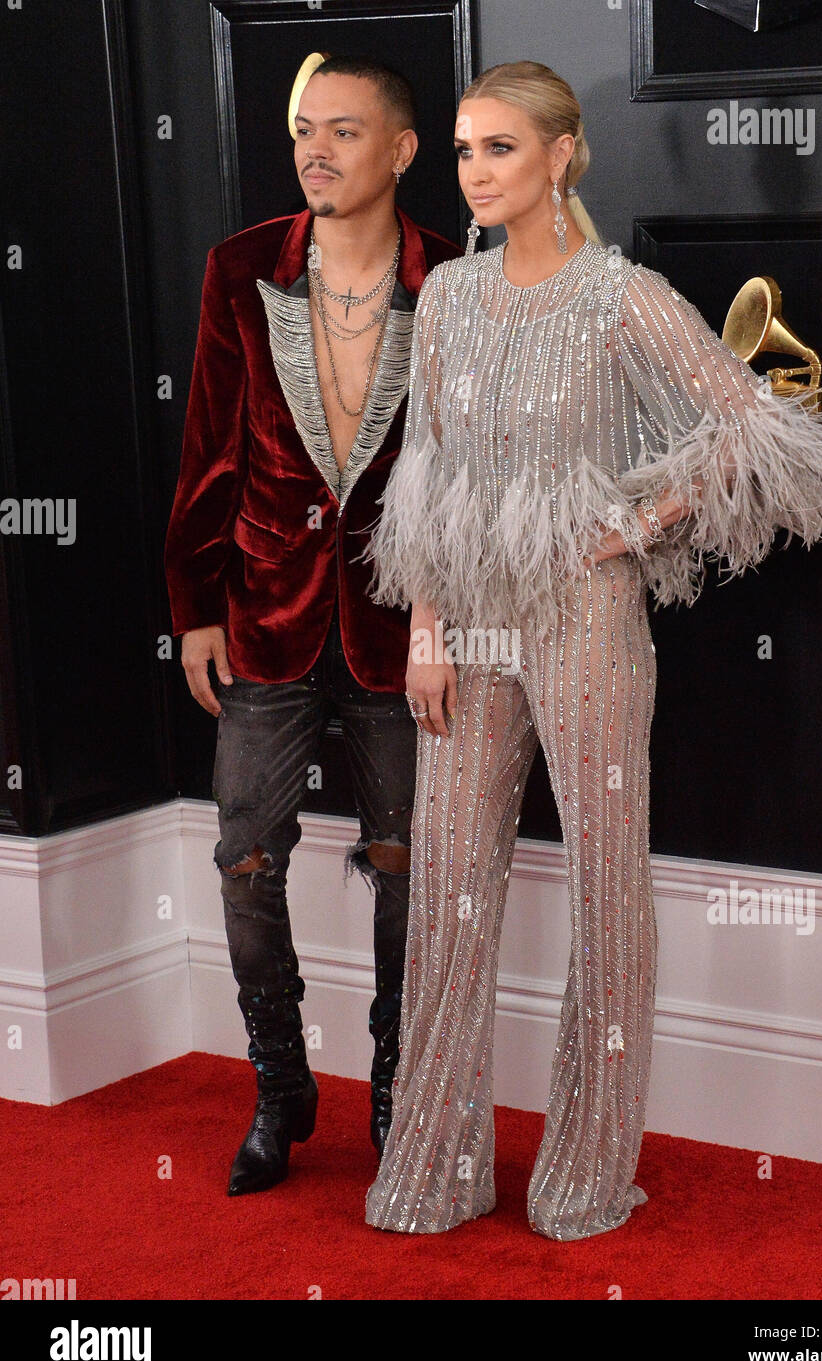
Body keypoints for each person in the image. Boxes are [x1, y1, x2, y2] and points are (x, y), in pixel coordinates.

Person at [361, 60, 822, 1240]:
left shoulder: (621, 297)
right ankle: (434, 1168)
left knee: (605, 885)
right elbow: (424, 472)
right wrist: (425, 630)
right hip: (470, 617)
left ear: (561, 156)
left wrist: (632, 524)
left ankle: (585, 1172)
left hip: (588, 618)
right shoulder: (444, 298)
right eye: (465, 151)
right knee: (446, 886)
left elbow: (756, 425)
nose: (474, 174)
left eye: (499, 150)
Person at [163, 53, 462, 1196]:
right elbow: (208, 445)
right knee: (244, 859)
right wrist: (193, 607)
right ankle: (281, 1082)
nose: (317, 151)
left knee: (407, 871)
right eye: (305, 132)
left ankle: (395, 1091)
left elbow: (465, 470)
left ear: (400, 150)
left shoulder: (454, 282)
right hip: (264, 610)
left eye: (346, 130)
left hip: (399, 626)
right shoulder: (241, 268)